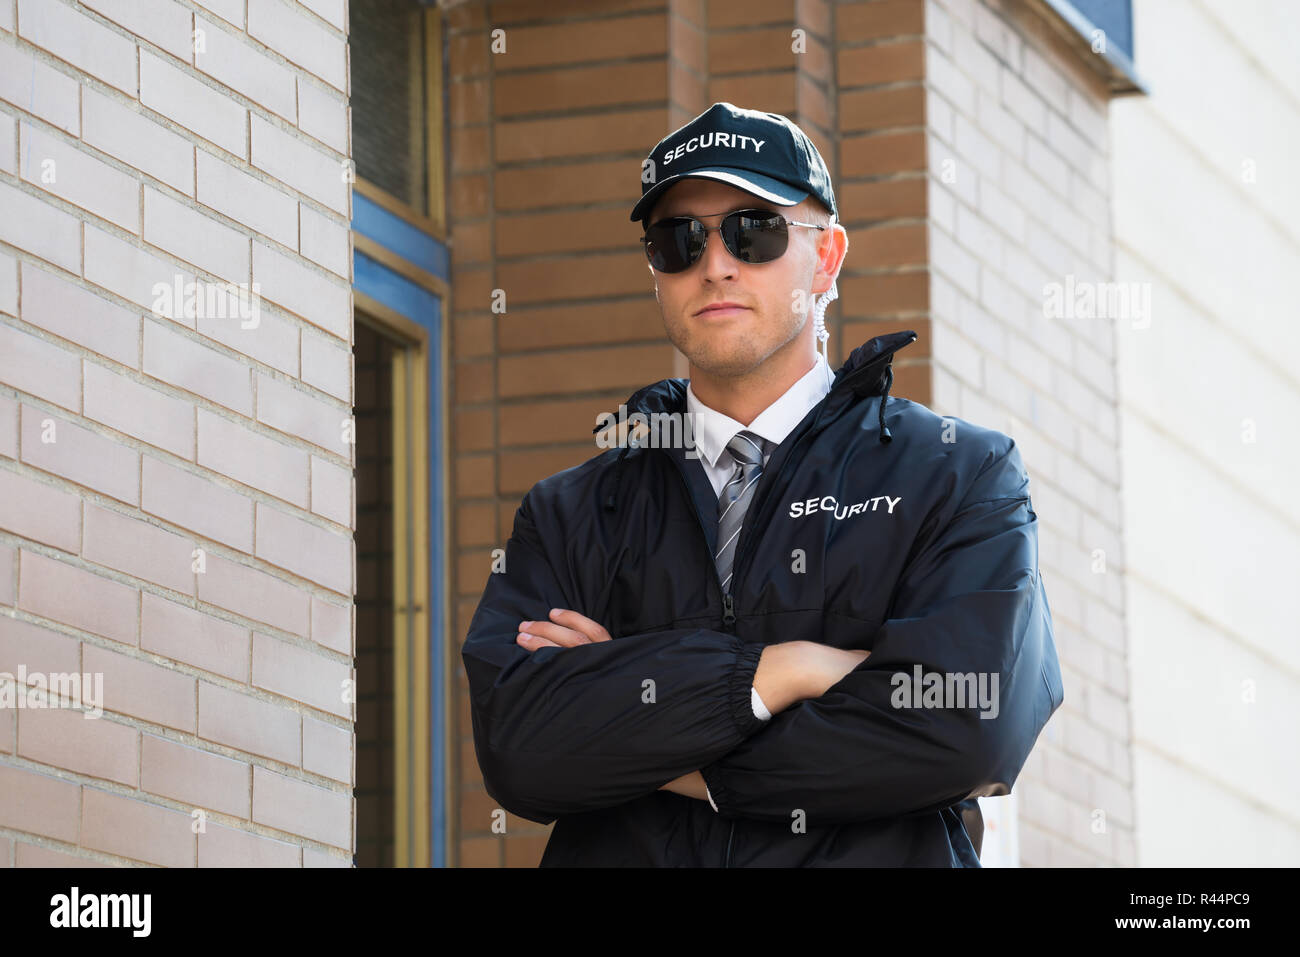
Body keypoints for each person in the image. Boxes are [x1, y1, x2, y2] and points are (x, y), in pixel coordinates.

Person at [461, 102, 1064, 867]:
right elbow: (525, 750)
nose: (714, 264)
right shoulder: (572, 511)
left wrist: (640, 725)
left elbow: (967, 722)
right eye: (678, 240)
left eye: (754, 230)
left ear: (827, 256)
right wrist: (785, 671)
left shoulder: (955, 474)